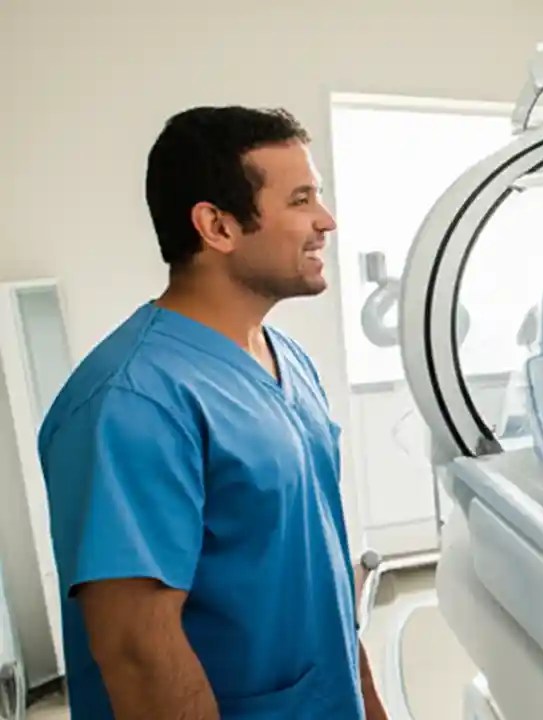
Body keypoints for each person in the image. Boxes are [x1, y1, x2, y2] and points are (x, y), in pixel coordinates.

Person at [38, 106, 387, 719]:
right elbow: (138, 652)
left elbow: (321, 571)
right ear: (217, 226)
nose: (325, 221)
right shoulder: (134, 401)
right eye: (300, 199)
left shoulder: (288, 359)